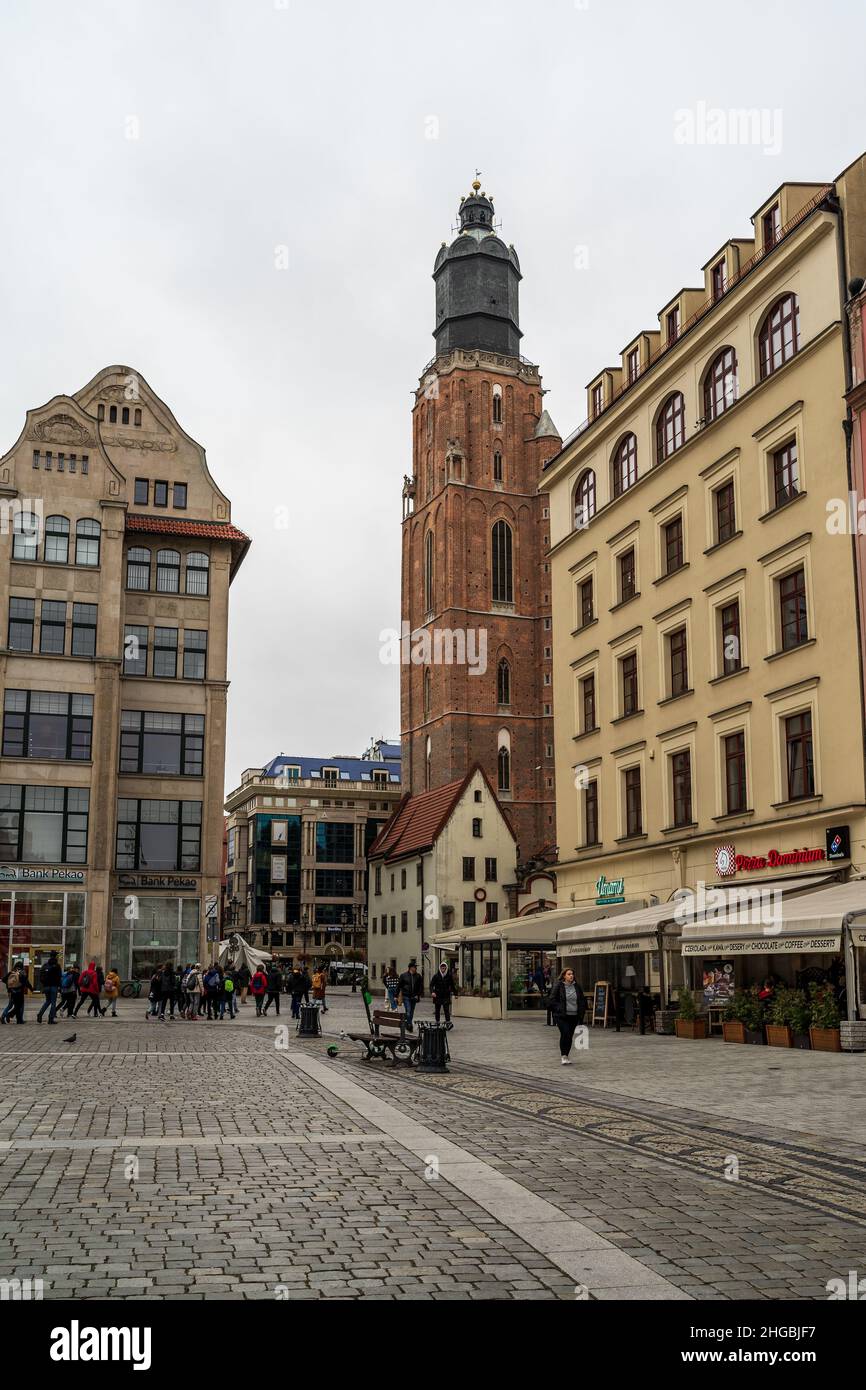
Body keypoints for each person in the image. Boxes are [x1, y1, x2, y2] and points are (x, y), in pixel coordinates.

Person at [547, 968, 587, 1065]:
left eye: (572, 974)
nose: (571, 976)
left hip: (574, 1016)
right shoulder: (559, 986)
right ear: (564, 976)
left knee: (569, 1036)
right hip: (561, 1016)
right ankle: (563, 1056)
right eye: (569, 974)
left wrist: (582, 1011)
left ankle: (566, 1055)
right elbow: (551, 1000)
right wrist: (558, 1008)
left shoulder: (577, 986)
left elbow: (582, 1000)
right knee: (565, 1033)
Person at [2, 960, 32, 1024]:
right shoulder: (22, 973)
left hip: (11, 992)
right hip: (19, 992)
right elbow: (26, 982)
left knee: (12, 1005)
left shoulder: (11, 972)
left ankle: (5, 1017)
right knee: (19, 1006)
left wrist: (10, 985)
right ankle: (16, 1018)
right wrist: (31, 988)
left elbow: (3, 979)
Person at [37, 952, 62, 1024]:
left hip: (46, 986)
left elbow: (41, 975)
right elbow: (59, 977)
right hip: (54, 986)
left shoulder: (45, 965)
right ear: (56, 957)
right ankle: (51, 1019)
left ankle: (40, 1014)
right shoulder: (57, 966)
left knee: (48, 1001)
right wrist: (60, 987)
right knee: (53, 1003)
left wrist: (43, 984)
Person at [430, 961, 455, 1027]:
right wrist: (432, 992)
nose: (443, 969)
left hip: (446, 995)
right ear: (440, 968)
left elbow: (452, 985)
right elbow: (431, 985)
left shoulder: (449, 976)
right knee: (437, 1010)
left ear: (446, 968)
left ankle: (448, 1023)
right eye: (442, 968)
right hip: (437, 995)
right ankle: (437, 1022)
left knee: (446, 1010)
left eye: (444, 968)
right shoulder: (436, 976)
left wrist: (455, 993)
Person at [398, 961, 423, 1028]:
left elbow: (421, 987)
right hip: (406, 996)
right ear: (410, 968)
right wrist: (395, 995)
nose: (416, 968)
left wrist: (418, 995)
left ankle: (408, 1023)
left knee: (411, 1011)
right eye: (414, 967)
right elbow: (399, 986)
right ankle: (409, 1024)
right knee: (408, 1010)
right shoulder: (403, 975)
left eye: (416, 967)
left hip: (414, 996)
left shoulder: (418, 976)